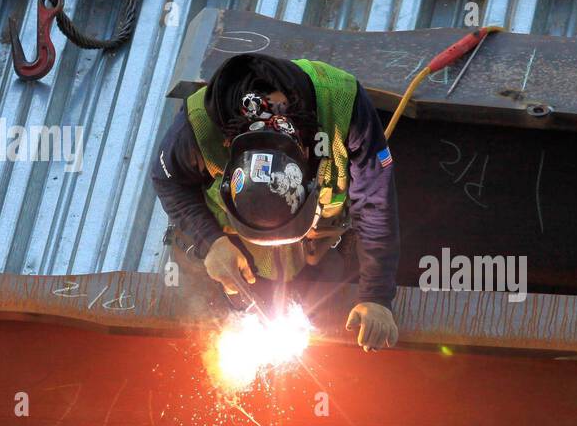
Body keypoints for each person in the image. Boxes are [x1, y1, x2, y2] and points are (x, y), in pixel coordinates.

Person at [152, 53, 400, 350]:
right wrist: (211, 242)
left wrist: (375, 296)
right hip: (230, 249)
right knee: (204, 336)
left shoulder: (343, 103)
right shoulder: (197, 126)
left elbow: (375, 203)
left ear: (307, 158)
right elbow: (167, 180)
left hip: (315, 246)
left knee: (322, 321)